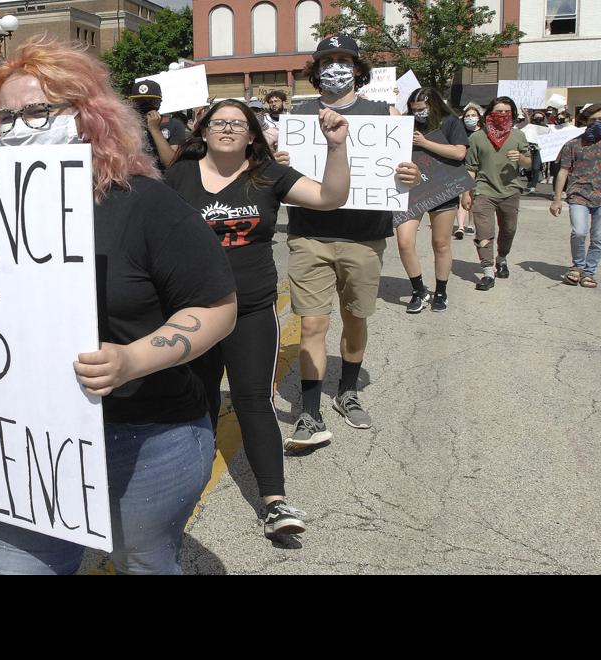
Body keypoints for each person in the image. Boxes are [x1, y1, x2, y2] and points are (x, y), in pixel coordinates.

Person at [0, 36, 238, 575]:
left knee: (144, 561)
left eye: (39, 111)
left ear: (89, 116)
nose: (18, 127)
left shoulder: (144, 203)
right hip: (18, 440)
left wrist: (133, 358)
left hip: (143, 435)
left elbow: (217, 308)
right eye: (5, 117)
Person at [166, 99, 351, 537]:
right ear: (203, 130)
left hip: (250, 308)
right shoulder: (177, 177)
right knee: (197, 398)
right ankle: (182, 490)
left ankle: (274, 501)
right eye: (218, 122)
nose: (227, 128)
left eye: (237, 123)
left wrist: (337, 148)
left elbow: (331, 197)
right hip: (192, 310)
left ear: (252, 134)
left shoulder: (269, 175)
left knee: (253, 398)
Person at [280, 35, 419, 452]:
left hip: (364, 236)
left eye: (343, 60)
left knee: (355, 316)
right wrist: (279, 163)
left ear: (357, 68)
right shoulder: (298, 115)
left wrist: (412, 175)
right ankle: (309, 410)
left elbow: (406, 169)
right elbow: (278, 176)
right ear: (316, 68)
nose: (335, 67)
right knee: (311, 322)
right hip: (310, 234)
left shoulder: (384, 114)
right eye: (328, 60)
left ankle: (347, 390)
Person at [395, 87, 469, 314]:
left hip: (442, 187)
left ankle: (441, 291)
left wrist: (425, 143)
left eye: (422, 109)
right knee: (404, 241)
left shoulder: (451, 122)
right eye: (413, 109)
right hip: (413, 189)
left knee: (441, 243)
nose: (418, 113)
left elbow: (459, 153)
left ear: (433, 105)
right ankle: (419, 290)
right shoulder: (407, 122)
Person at [551, 103, 601, 289]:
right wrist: (557, 199)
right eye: (593, 120)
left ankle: (589, 272)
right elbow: (563, 171)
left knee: (599, 237)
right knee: (579, 232)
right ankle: (577, 266)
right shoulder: (573, 144)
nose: (597, 123)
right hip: (579, 194)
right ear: (586, 121)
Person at [460, 96, 530, 292]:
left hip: (510, 190)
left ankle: (502, 258)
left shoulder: (518, 137)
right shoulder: (476, 138)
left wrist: (521, 158)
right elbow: (471, 168)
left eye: (506, 112)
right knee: (484, 232)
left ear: (513, 114)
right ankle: (488, 271)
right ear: (489, 113)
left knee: (509, 229)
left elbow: (529, 163)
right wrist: (466, 193)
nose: (502, 115)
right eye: (498, 111)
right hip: (483, 190)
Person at [125, 79, 183, 172]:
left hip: (163, 180)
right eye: (140, 102)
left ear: (159, 102)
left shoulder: (174, 125)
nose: (145, 105)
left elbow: (170, 162)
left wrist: (154, 129)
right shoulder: (125, 124)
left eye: (151, 101)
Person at [453, 102, 484, 240]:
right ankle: (460, 226)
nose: (470, 117)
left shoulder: (484, 133)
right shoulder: (459, 132)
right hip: (461, 167)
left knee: (473, 196)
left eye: (473, 115)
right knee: (461, 196)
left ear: (479, 117)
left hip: (479, 168)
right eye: (468, 115)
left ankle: (471, 224)